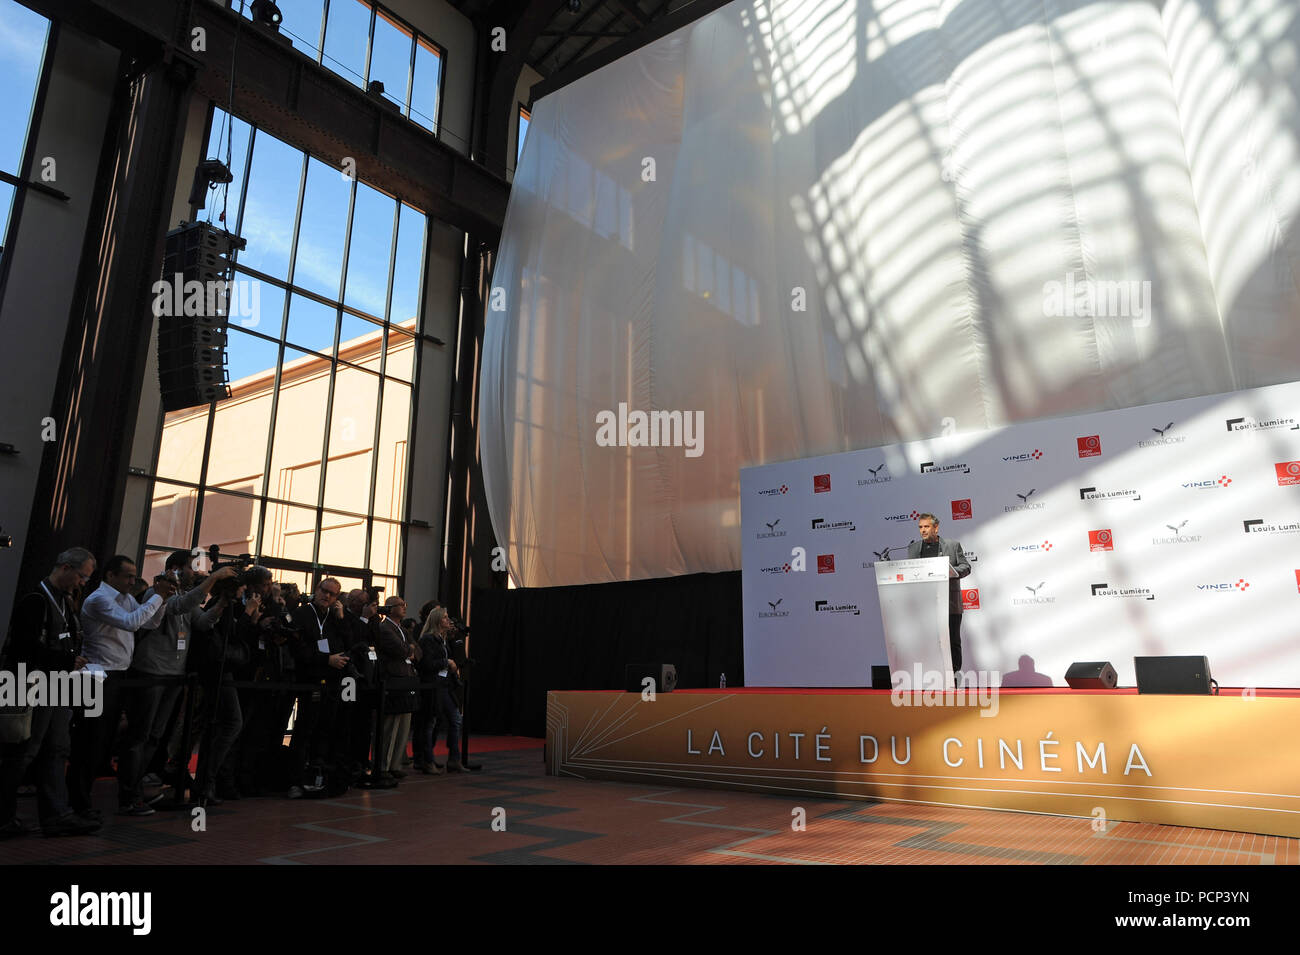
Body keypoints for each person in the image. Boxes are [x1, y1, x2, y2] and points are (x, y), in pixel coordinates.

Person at [118, 559, 235, 814]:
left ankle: (136, 788)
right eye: (194, 568)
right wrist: (213, 579)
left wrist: (223, 604)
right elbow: (179, 606)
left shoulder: (183, 594)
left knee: (155, 736)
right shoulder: (158, 591)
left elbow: (201, 622)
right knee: (141, 735)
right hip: (151, 671)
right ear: (177, 568)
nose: (197, 572)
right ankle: (128, 794)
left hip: (173, 674)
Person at [0, 547, 101, 837]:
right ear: (65, 568)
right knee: (23, 752)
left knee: (57, 749)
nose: (83, 583)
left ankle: (57, 815)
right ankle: (4, 817)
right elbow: (22, 647)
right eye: (82, 576)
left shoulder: (64, 602)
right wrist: (66, 660)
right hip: (33, 685)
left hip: (55, 685)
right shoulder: (36, 600)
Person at [68, 555, 168, 819]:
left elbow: (149, 622)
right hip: (97, 674)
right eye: (128, 576)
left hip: (118, 675)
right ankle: (77, 803)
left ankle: (83, 802)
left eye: (135, 576)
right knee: (90, 742)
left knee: (103, 743)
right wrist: (156, 596)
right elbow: (131, 622)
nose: (132, 581)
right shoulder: (99, 598)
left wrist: (163, 601)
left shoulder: (125, 598)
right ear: (110, 575)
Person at [906, 513, 972, 675]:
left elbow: (966, 567)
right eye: (920, 527)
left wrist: (950, 572)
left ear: (936, 527)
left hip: (949, 603)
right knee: (927, 642)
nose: (923, 530)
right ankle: (930, 674)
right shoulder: (914, 548)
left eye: (926, 526)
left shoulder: (952, 545)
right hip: (925, 604)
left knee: (952, 641)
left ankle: (954, 675)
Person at [418, 608, 463, 773]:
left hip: (444, 685)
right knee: (430, 723)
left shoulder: (442, 640)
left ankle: (454, 758)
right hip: (433, 685)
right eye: (444, 617)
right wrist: (447, 662)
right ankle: (427, 760)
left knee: (455, 719)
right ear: (437, 620)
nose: (448, 620)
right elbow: (426, 664)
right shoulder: (428, 640)